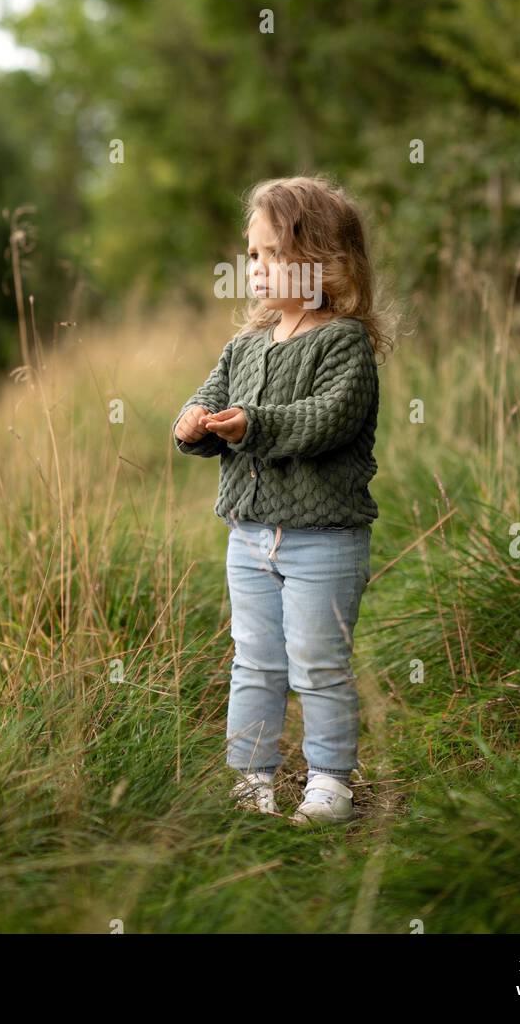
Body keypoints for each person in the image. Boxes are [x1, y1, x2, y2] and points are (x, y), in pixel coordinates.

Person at [172, 175, 396, 825]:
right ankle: (250, 779)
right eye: (252, 254)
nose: (257, 268)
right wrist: (192, 422)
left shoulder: (343, 343)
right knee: (254, 662)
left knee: (319, 665)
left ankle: (329, 781)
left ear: (324, 259)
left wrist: (253, 426)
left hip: (322, 538)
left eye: (273, 254)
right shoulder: (242, 347)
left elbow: (327, 419)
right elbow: (207, 399)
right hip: (247, 536)